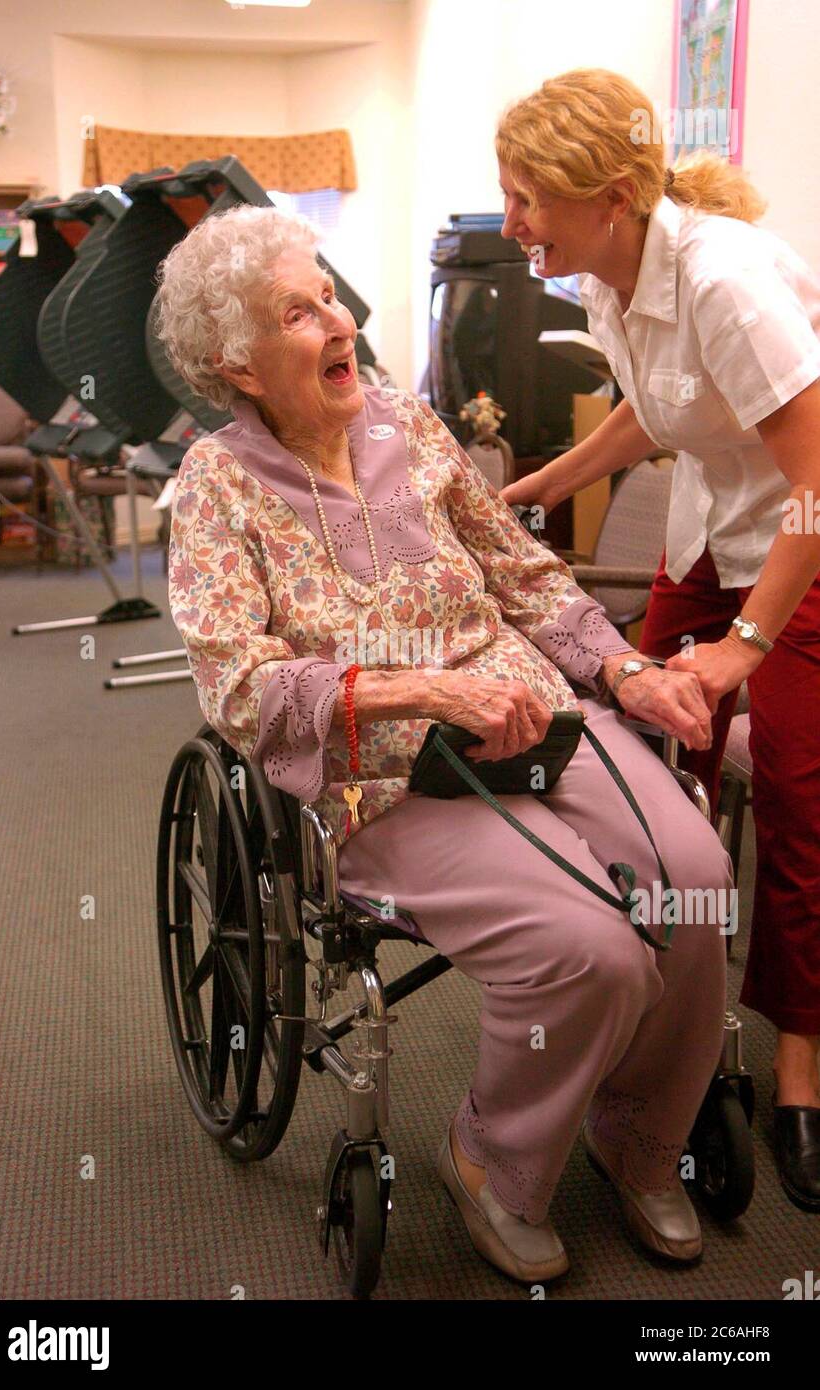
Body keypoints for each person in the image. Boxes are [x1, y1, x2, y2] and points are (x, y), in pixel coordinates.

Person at [157, 204, 731, 1285]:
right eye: (299, 309)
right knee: (593, 949)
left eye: (329, 293)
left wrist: (621, 669)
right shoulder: (213, 490)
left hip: (539, 722)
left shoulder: (408, 426)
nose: (336, 320)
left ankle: (640, 1133)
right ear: (236, 362)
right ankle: (492, 1160)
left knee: (695, 879)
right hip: (384, 782)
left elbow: (520, 573)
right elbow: (238, 687)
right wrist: (424, 689)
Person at [499, 68, 820, 1214]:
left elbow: (817, 482)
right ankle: (666, 1028)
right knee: (644, 758)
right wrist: (536, 488)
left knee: (793, 798)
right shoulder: (605, 273)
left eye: (529, 196)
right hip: (711, 535)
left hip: (802, 546)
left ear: (617, 194)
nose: (511, 221)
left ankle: (798, 1073)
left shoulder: (724, 279)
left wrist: (743, 643)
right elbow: (655, 405)